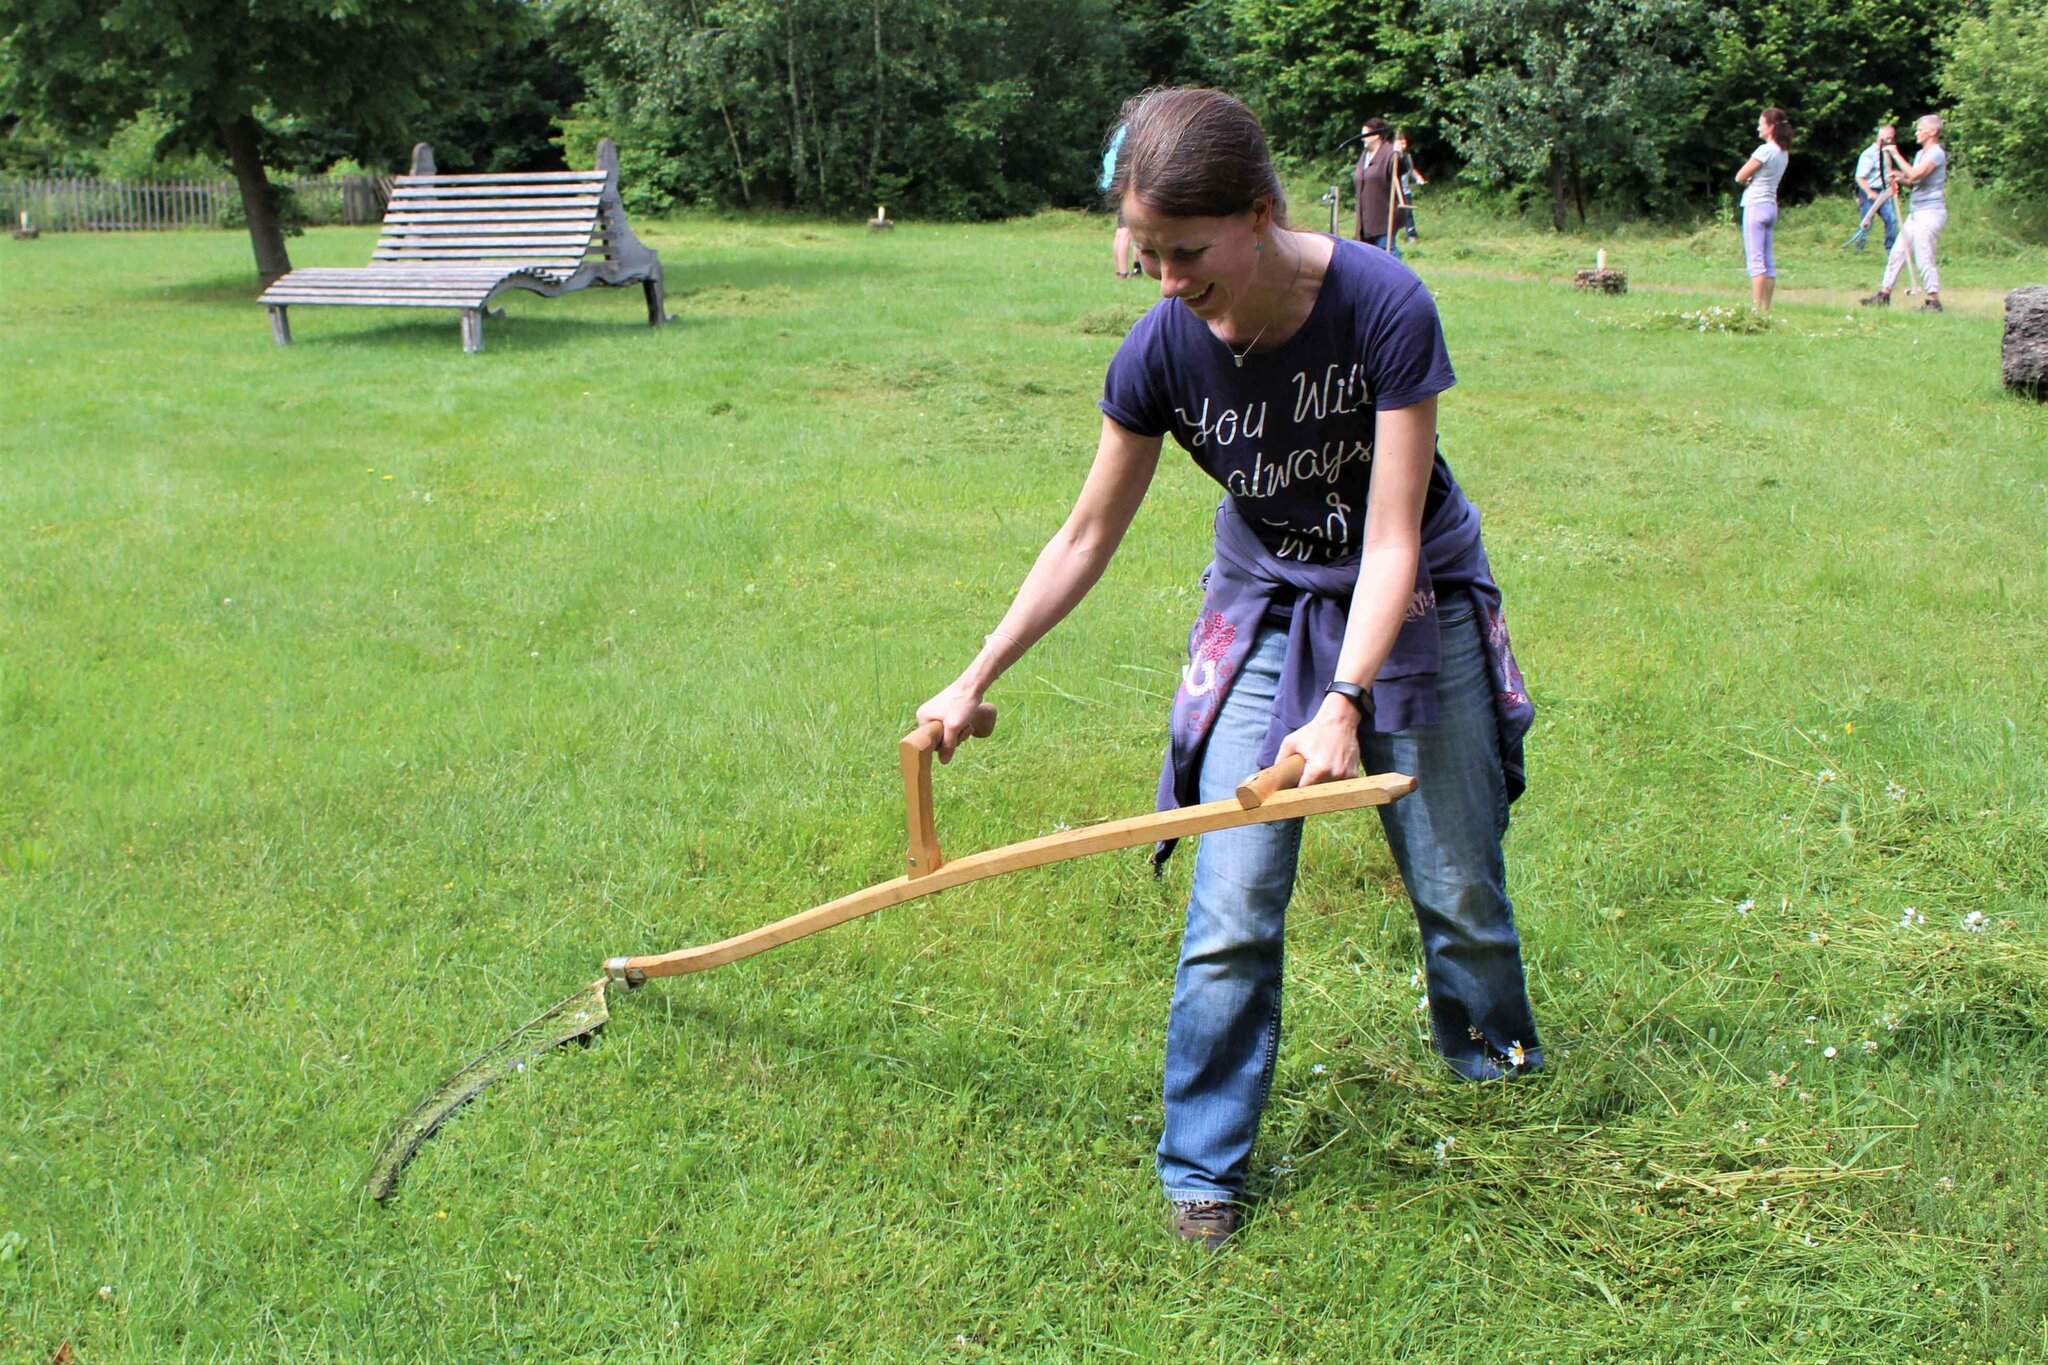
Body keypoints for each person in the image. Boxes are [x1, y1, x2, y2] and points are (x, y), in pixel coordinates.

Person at [916, 87, 1543, 1252]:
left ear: (1260, 214)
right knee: (1231, 907)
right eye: (1143, 253)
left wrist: (1344, 704)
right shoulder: (1161, 346)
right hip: (1262, 613)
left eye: (1186, 253)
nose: (1165, 281)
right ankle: (1202, 1166)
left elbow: (1393, 537)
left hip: (1409, 606)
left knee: (1456, 886)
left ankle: (1499, 1081)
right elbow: (1084, 534)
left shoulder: (1381, 304)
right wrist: (973, 672)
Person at [1862, 114, 1949, 313]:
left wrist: (1895, 155)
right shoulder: (1921, 154)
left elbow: (1917, 174)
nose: (1917, 132)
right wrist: (1898, 178)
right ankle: (1884, 295)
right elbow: (1913, 181)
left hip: (1930, 212)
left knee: (1923, 253)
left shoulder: (1936, 153)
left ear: (1932, 131)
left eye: (1920, 129)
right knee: (1898, 252)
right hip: (1916, 211)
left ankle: (1933, 301)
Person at [1733, 107, 1793, 313]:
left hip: (1755, 206)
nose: (1758, 127)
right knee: (1768, 260)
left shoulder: (1764, 150)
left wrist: (1748, 178)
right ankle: (1765, 308)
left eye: (1761, 123)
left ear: (1771, 127)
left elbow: (1740, 176)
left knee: (1756, 261)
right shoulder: (1783, 152)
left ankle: (1755, 310)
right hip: (1771, 206)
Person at [1352, 118, 1404, 256]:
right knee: (1369, 257)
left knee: (1388, 254)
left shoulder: (1389, 153)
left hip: (1383, 217)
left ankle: (1399, 277)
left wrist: (1399, 154)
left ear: (1376, 136)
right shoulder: (1364, 155)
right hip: (1366, 219)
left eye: (1365, 135)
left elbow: (1401, 168)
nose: (1362, 139)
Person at [1849, 124, 1899, 254]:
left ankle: (1890, 248)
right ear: (1880, 138)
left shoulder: (1888, 152)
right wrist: (1869, 192)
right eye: (1888, 138)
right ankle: (1859, 248)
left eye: (1892, 138)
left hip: (1884, 191)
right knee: (1867, 222)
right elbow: (1860, 177)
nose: (1890, 141)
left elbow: (1888, 170)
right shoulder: (1868, 155)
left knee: (1891, 219)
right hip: (1869, 191)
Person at [1102, 124, 1137, 279]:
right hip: (1126, 184)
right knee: (1125, 231)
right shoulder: (1133, 130)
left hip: (1116, 184)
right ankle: (1122, 272)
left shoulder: (1123, 130)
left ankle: (1134, 269)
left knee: (1125, 230)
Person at [1394, 133, 1427, 243]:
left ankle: (1412, 236)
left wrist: (1419, 178)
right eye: (1401, 142)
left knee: (1408, 213)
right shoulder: (1392, 156)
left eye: (1405, 143)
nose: (1404, 145)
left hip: (1405, 190)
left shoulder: (1407, 156)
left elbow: (1411, 169)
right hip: (1393, 192)